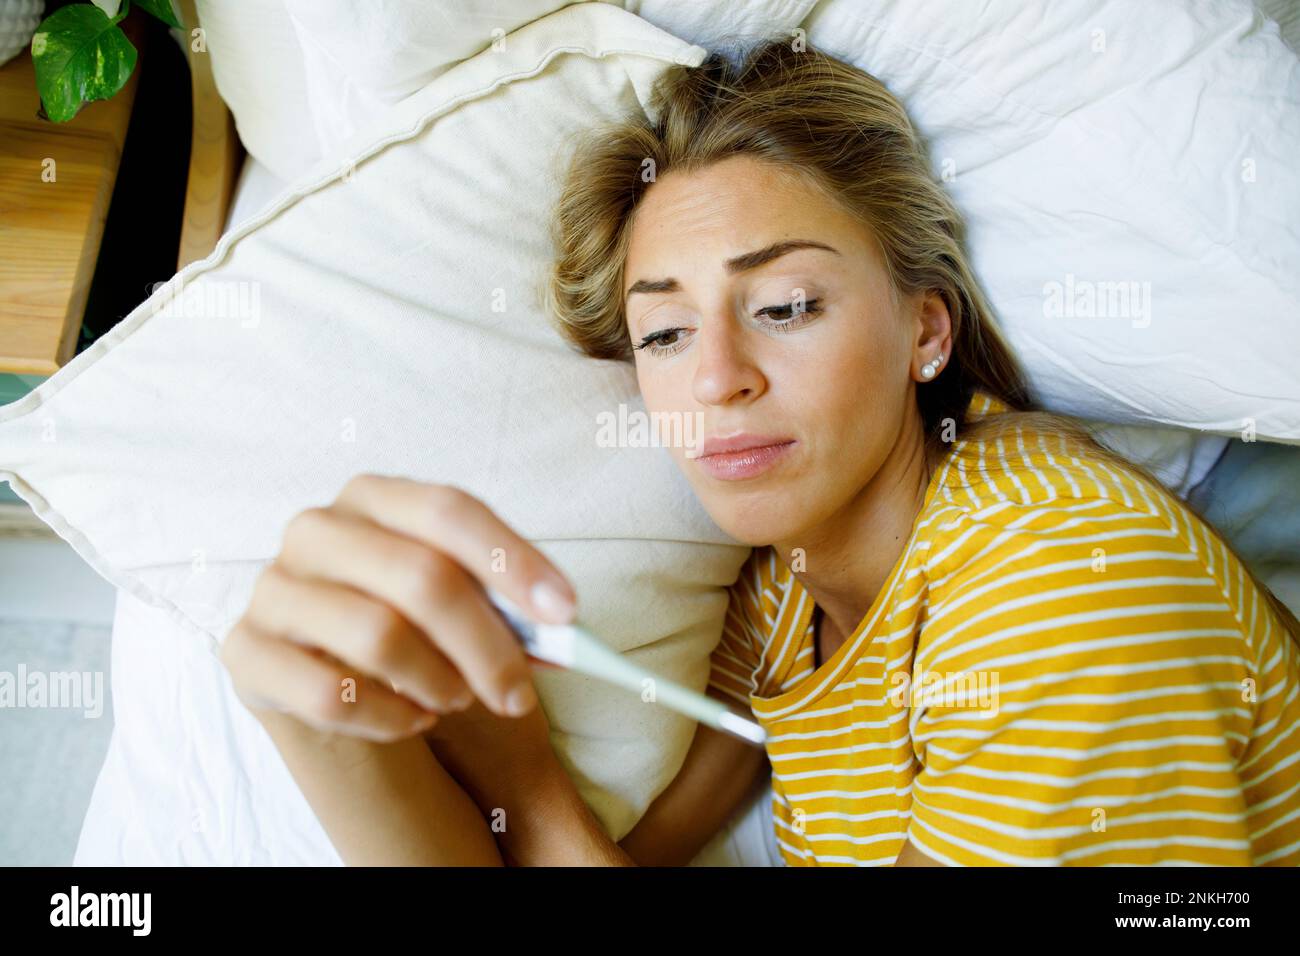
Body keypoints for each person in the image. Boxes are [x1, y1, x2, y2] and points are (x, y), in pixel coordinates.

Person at [219, 38, 1300, 866]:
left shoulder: (1058, 588)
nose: (716, 378)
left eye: (783, 305)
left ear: (926, 330)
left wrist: (534, 790)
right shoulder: (785, 596)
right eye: (664, 332)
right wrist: (324, 721)